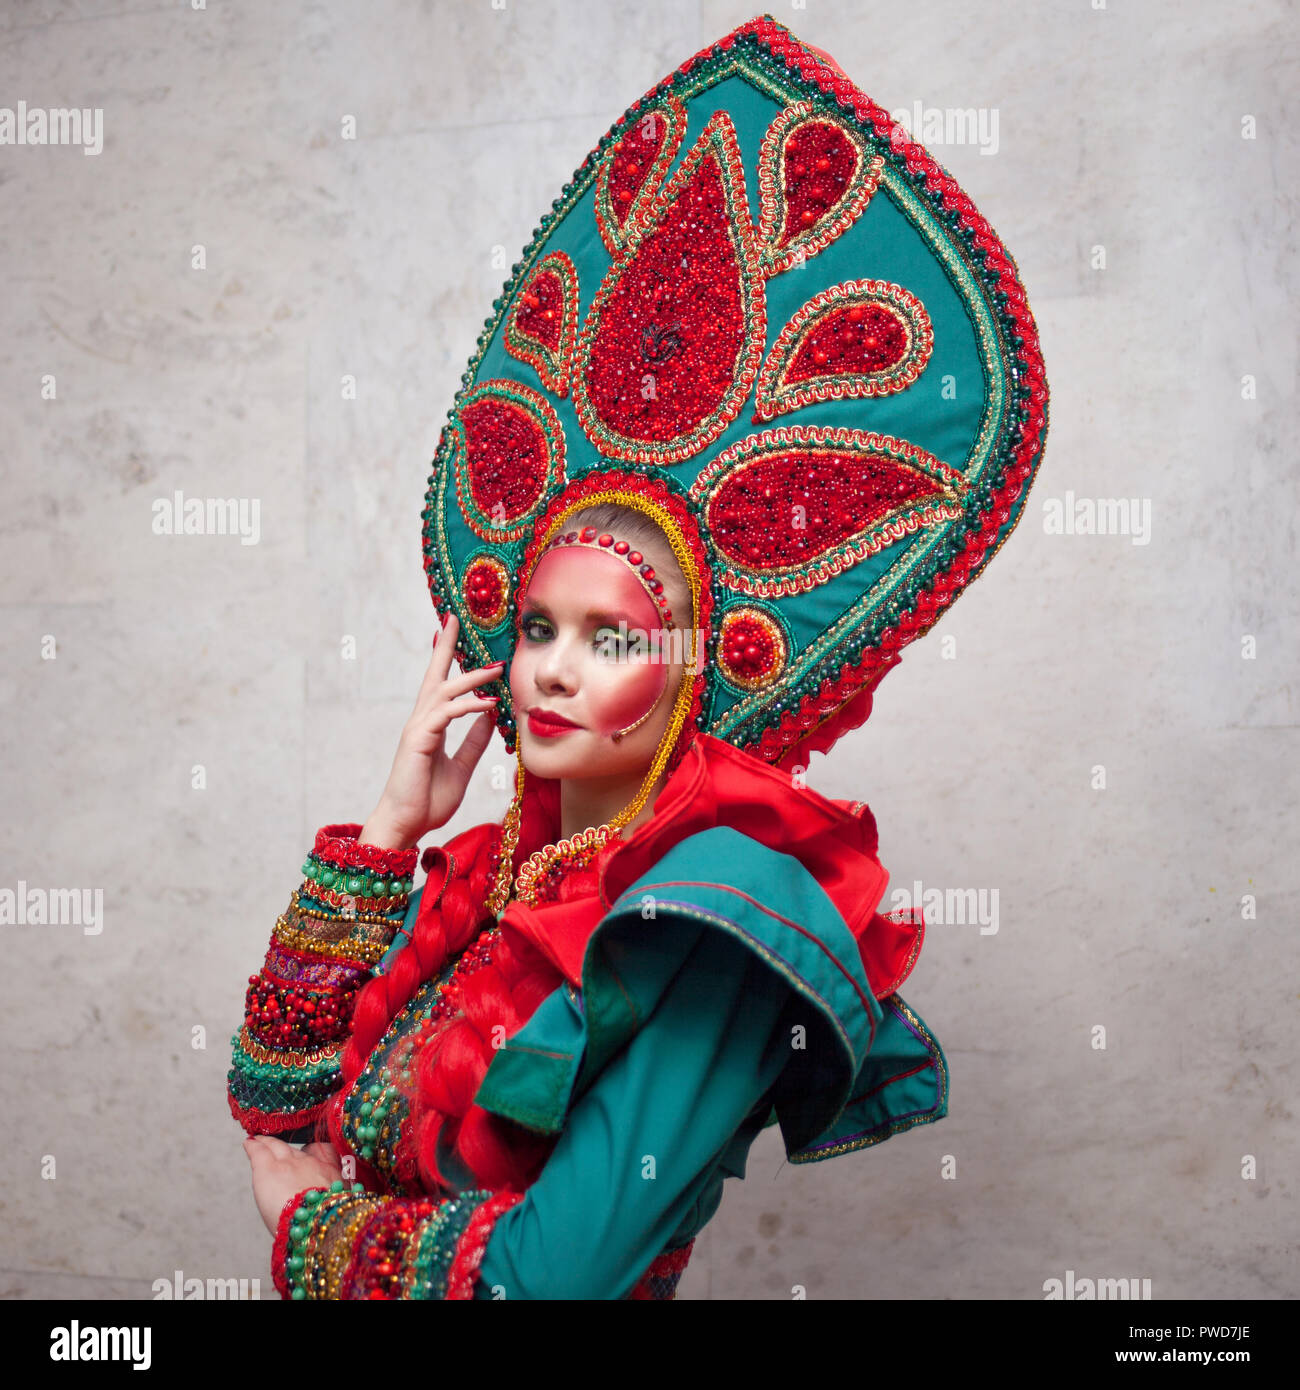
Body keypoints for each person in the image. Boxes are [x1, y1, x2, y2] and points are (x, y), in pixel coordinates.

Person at [231, 13, 1049, 1300]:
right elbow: (275, 1101)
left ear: (684, 669)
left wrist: (305, 1232)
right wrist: (390, 830)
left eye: (610, 639)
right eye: (538, 628)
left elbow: (546, 1282)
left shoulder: (718, 918)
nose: (550, 670)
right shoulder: (488, 875)